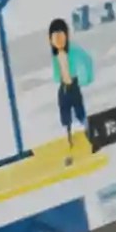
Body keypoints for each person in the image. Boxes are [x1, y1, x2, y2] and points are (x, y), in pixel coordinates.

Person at [48, 19, 94, 149]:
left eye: (60, 36)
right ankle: (69, 138)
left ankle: (88, 132)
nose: (58, 40)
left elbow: (87, 59)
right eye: (54, 38)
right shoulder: (55, 56)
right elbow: (57, 73)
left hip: (73, 84)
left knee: (79, 109)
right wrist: (58, 78)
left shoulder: (73, 51)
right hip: (63, 87)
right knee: (65, 111)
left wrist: (87, 77)